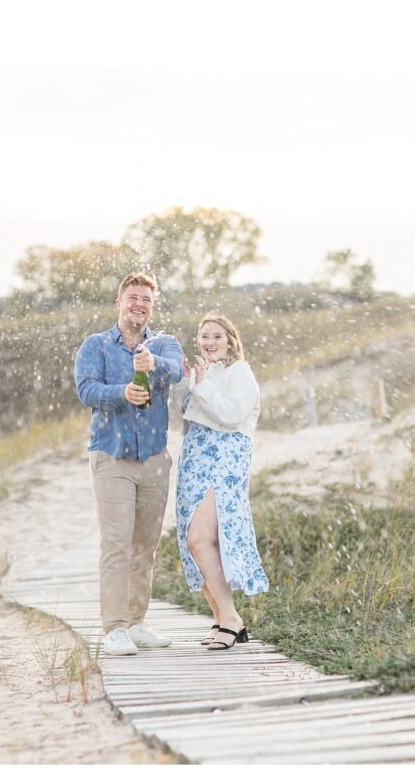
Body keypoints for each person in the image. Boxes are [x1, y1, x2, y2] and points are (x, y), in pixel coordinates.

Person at [74, 272, 185, 656]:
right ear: (119, 303)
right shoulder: (97, 345)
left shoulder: (164, 344)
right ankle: (114, 628)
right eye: (133, 297)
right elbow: (86, 390)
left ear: (152, 307)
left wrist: (152, 364)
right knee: (117, 543)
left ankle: (137, 622)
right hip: (112, 455)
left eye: (147, 300)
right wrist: (121, 393)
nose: (139, 304)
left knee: (146, 546)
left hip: (155, 457)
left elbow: (178, 370)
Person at [171, 313, 267, 650]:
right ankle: (219, 616)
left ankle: (232, 618)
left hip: (223, 460)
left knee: (202, 538)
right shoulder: (203, 374)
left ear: (230, 340)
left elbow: (229, 416)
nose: (209, 342)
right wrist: (185, 381)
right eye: (204, 336)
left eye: (216, 336)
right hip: (194, 460)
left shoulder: (240, 373)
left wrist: (201, 386)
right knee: (194, 541)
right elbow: (184, 419)